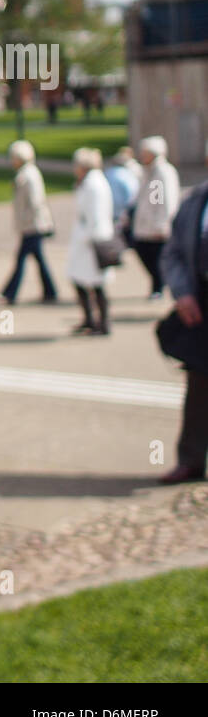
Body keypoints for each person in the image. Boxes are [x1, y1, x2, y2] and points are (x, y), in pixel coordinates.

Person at [156, 164, 208, 484]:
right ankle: (190, 460)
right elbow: (172, 253)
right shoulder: (195, 202)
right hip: (201, 303)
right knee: (199, 384)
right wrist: (183, 293)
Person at [0, 140, 58, 305]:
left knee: (21, 259)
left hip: (33, 225)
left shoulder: (30, 175)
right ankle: (50, 290)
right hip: (30, 224)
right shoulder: (25, 173)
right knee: (36, 259)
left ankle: (10, 293)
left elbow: (36, 202)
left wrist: (34, 222)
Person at [66, 147, 116, 335]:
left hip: (92, 240)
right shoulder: (89, 182)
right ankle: (91, 319)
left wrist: (88, 237)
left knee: (95, 283)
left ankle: (101, 322)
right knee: (83, 279)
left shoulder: (94, 184)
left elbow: (95, 216)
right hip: (88, 238)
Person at [132, 136, 181, 299]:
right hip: (148, 224)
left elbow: (160, 201)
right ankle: (157, 285)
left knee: (155, 257)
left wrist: (160, 224)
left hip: (155, 226)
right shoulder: (150, 171)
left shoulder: (160, 173)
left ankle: (159, 285)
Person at [105, 146, 140, 243]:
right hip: (123, 209)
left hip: (111, 208)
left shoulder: (108, 173)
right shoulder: (126, 174)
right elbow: (132, 193)